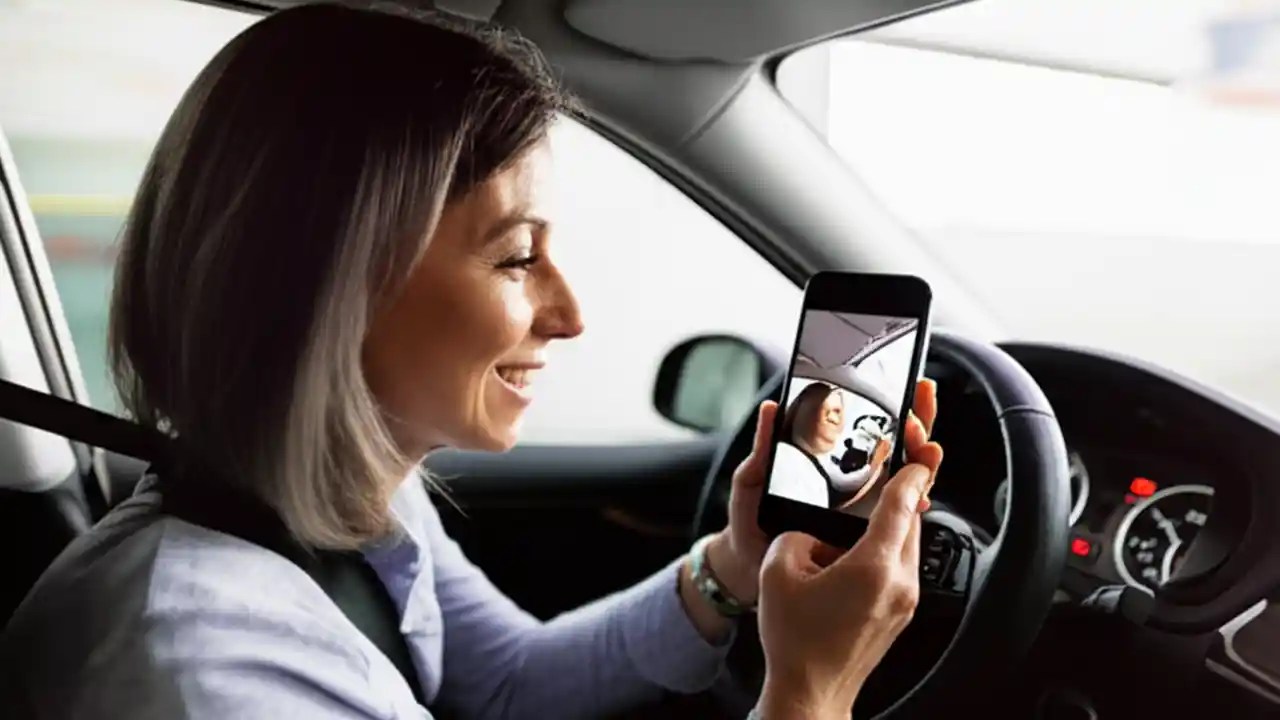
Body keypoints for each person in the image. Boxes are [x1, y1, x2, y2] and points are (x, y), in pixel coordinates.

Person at [0, 5, 943, 720]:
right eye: (517, 256)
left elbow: (505, 680)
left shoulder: (343, 497)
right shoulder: (209, 675)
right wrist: (811, 688)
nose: (571, 316)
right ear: (331, 289)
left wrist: (737, 563)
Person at [771, 382, 893, 509]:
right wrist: (877, 462)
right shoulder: (787, 461)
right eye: (835, 410)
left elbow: (845, 489)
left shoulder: (818, 468)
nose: (835, 418)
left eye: (839, 411)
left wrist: (876, 463)